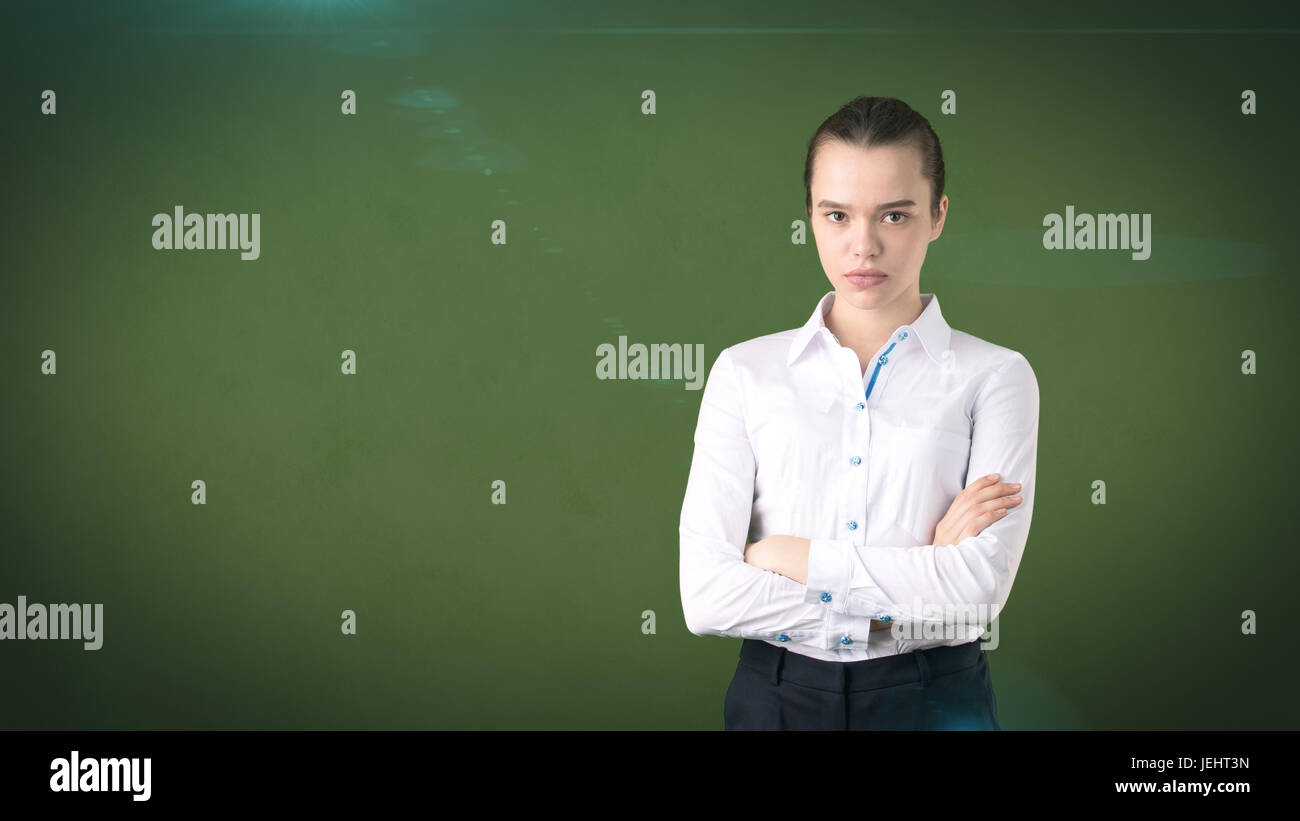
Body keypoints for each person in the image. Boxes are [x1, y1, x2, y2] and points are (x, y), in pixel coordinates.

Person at [679, 96, 1039, 730]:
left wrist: (785, 556)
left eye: (894, 215)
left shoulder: (997, 377)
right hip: (776, 696)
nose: (863, 245)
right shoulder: (744, 373)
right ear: (812, 218)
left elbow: (976, 596)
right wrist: (920, 576)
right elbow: (707, 599)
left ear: (938, 216)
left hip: (935, 698)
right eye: (838, 214)